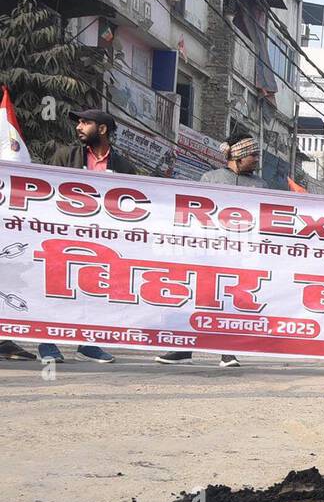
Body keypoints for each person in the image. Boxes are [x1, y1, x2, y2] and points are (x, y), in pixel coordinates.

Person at [155, 130, 268, 367]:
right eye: (253, 155)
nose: (257, 160)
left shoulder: (261, 185)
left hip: (242, 255)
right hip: (210, 253)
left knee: (231, 303)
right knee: (198, 300)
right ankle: (183, 350)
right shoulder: (210, 179)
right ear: (238, 156)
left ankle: (228, 352)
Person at [37, 108, 138, 364]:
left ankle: (89, 345)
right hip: (63, 235)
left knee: (95, 291)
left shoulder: (125, 167)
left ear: (102, 129)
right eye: (78, 123)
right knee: (56, 289)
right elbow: (48, 190)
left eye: (85, 122)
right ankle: (47, 345)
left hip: (102, 241)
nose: (79, 127)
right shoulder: (64, 156)